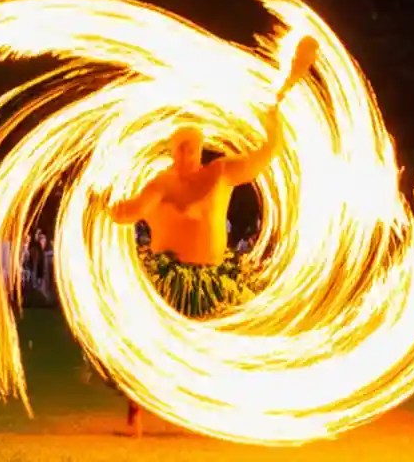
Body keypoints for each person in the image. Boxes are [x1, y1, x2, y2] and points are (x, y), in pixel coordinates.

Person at [98, 32, 317, 438]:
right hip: (170, 280)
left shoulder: (219, 174)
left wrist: (275, 126)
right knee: (149, 350)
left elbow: (263, 158)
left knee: (225, 349)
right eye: (182, 147)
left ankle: (222, 414)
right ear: (171, 150)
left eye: (195, 146)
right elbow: (128, 214)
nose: (189, 153)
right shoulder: (160, 184)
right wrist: (100, 199)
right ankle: (135, 419)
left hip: (214, 278)